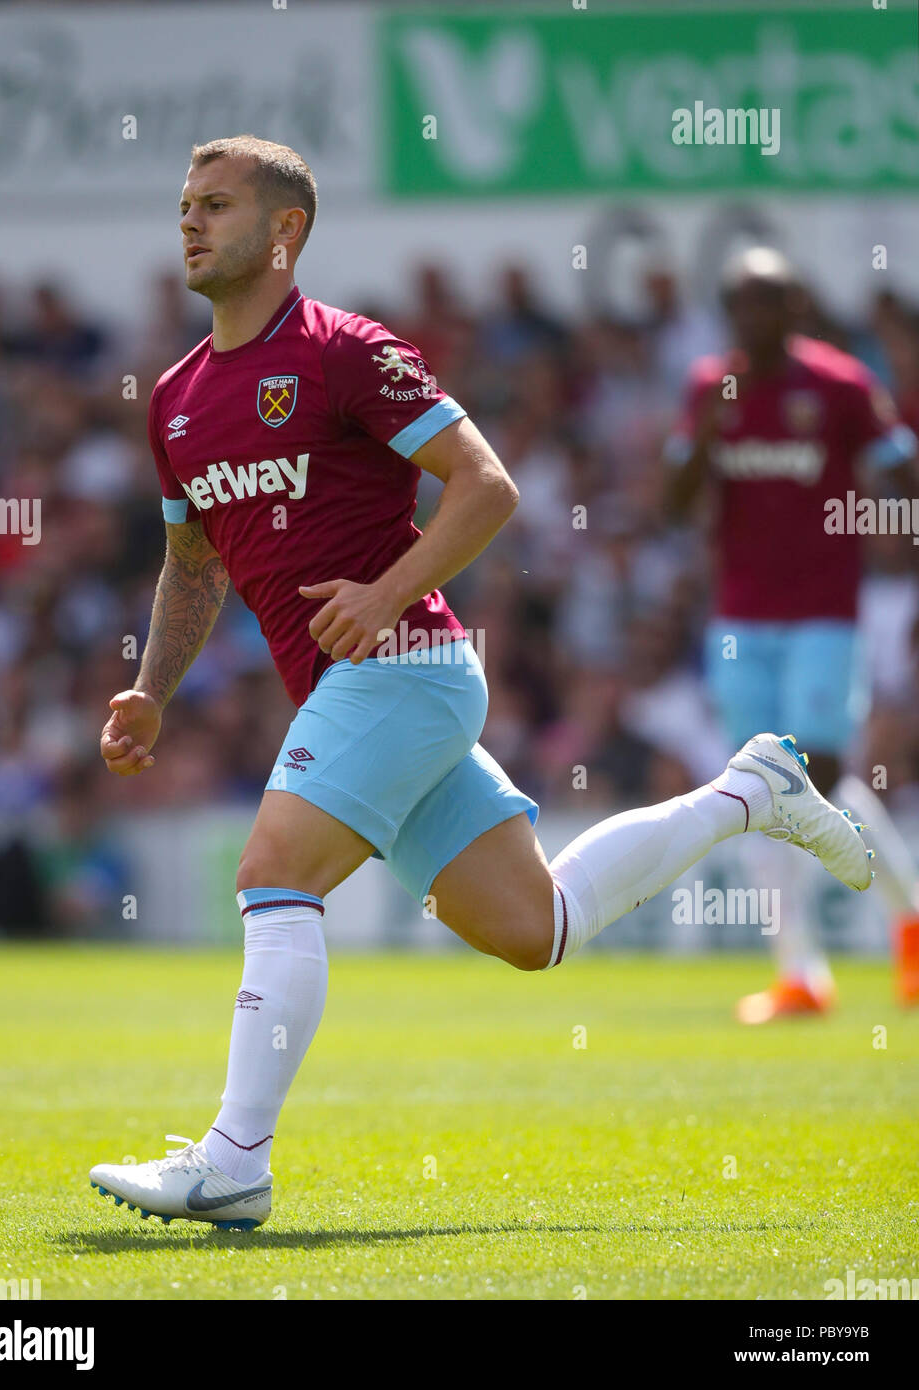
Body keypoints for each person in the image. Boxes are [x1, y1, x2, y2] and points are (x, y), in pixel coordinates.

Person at [91, 141, 873, 1230]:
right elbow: (192, 563)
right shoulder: (174, 397)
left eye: (216, 205)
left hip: (405, 666)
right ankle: (752, 792)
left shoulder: (345, 352)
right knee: (536, 927)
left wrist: (383, 591)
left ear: (284, 232)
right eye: (183, 205)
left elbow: (485, 486)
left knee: (273, 872)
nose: (189, 222)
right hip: (362, 685)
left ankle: (234, 1160)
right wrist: (152, 691)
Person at [665, 248, 919, 1023]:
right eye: (741, 305)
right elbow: (674, 502)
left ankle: (903, 925)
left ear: (795, 308)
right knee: (761, 789)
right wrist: (708, 429)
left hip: (821, 614)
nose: (754, 319)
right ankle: (802, 972)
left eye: (767, 303)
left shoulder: (839, 385)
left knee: (824, 773)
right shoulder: (711, 387)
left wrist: (889, 531)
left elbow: (901, 473)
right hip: (741, 618)